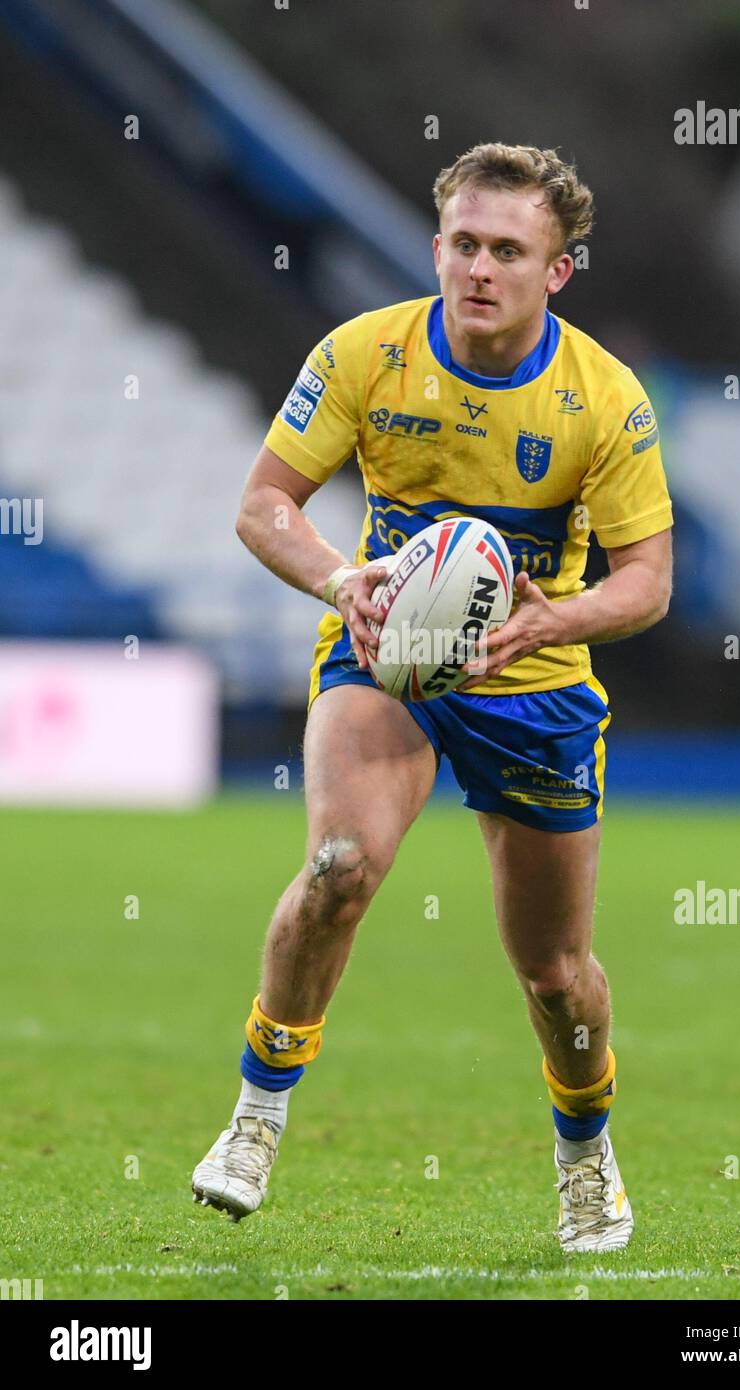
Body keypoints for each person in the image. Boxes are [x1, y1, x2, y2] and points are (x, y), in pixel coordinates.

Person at [192, 143, 673, 1253]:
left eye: (508, 250)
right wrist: (334, 576)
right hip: (388, 655)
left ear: (556, 271)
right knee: (337, 867)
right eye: (461, 242)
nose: (478, 268)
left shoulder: (601, 399)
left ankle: (584, 1150)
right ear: (437, 244)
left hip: (534, 683)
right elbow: (264, 503)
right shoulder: (367, 353)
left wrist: (550, 618)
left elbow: (647, 583)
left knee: (553, 974)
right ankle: (256, 1117)